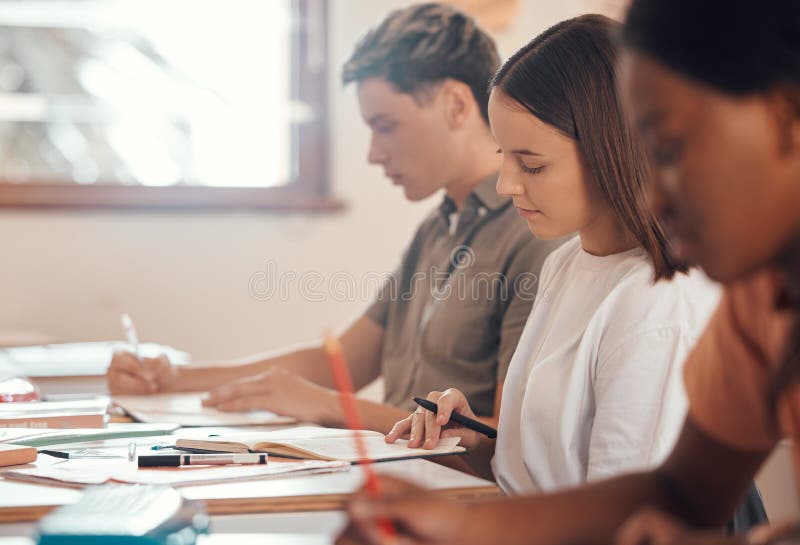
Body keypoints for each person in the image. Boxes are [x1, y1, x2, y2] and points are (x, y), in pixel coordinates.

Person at [336, 1, 799, 544]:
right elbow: (679, 491)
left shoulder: (659, 299)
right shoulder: (758, 300)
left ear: (786, 115)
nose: (652, 191)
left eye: (671, 149)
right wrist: (465, 520)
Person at [106, 3, 565, 433]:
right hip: (399, 475)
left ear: (456, 105)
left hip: (451, 497)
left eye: (386, 126)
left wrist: (329, 407)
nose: (374, 153)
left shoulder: (531, 235)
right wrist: (172, 379)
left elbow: (508, 443)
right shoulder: (439, 227)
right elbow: (343, 363)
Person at [384, 14, 720, 494]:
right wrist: (477, 443)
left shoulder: (655, 301)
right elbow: (538, 477)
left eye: (533, 165)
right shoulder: (566, 262)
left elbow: (617, 516)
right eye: (504, 156)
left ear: (611, 150)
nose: (506, 185)